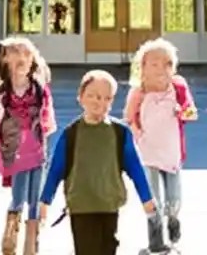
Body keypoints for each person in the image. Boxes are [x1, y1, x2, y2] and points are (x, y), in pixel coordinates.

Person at [39, 70, 158, 255]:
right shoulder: (72, 134)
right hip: (81, 206)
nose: (99, 102)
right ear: (81, 97)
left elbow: (136, 168)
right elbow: (56, 170)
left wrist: (147, 199)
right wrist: (45, 201)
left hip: (109, 205)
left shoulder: (119, 133)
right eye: (93, 96)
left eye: (106, 98)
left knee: (108, 248)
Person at [0, 37, 57, 255]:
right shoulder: (1, 92)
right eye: (18, 55)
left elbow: (48, 123)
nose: (23, 59)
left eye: (27, 55)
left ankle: (31, 244)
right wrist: (1, 109)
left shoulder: (39, 90)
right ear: (5, 61)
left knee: (35, 197)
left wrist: (41, 136)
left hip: (37, 150)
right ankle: (10, 235)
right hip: (15, 153)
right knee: (19, 196)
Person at [123, 38, 197, 252]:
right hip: (148, 152)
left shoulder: (178, 87)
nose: (161, 69)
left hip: (172, 152)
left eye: (167, 64)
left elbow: (191, 112)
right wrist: (138, 133)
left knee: (173, 199)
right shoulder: (139, 92)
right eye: (154, 64)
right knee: (153, 199)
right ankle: (155, 239)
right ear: (142, 68)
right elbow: (129, 118)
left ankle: (173, 220)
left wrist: (182, 111)